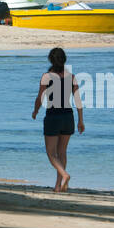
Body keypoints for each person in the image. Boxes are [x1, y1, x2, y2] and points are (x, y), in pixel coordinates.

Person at [32, 47, 84, 192]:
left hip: (53, 116)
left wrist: (35, 111)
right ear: (64, 60)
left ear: (50, 60)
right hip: (68, 116)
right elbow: (78, 101)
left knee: (51, 153)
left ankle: (64, 175)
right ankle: (58, 186)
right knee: (62, 152)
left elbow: (40, 98)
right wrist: (81, 120)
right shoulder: (72, 77)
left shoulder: (46, 77)